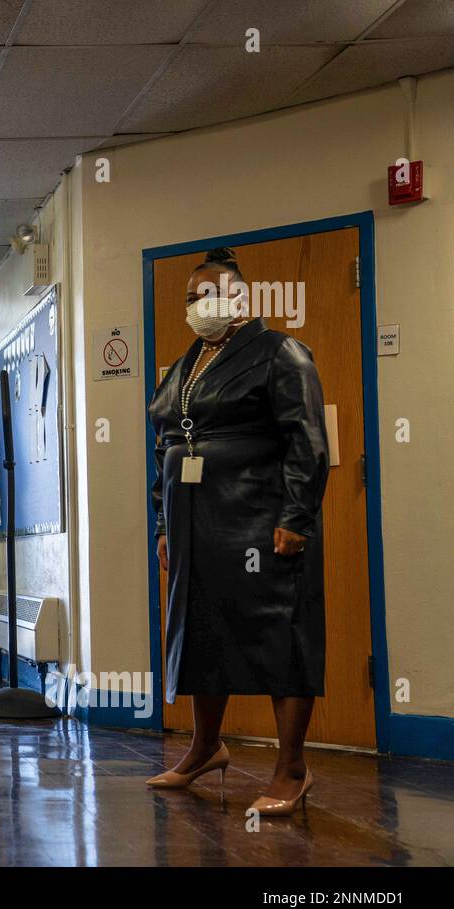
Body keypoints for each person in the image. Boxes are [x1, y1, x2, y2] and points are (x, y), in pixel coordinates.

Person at [147, 246, 329, 817]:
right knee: (202, 629)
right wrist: (163, 524)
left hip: (260, 517)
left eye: (212, 293)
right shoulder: (186, 365)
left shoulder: (280, 353)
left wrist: (296, 518)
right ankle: (206, 747)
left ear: (239, 297)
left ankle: (291, 767)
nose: (201, 305)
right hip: (195, 523)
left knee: (279, 634)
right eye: (191, 296)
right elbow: (166, 449)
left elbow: (307, 440)